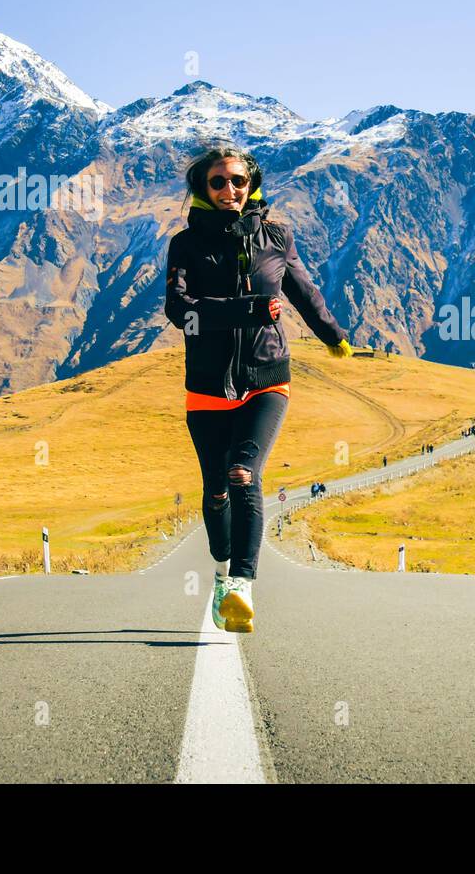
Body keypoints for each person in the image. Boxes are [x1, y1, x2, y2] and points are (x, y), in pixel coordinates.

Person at [165, 145, 351, 633]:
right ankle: (221, 572)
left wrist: (334, 336)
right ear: (202, 188)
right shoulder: (185, 245)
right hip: (207, 385)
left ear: (253, 185)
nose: (230, 190)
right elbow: (179, 311)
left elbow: (304, 291)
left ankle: (241, 587)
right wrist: (246, 310)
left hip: (267, 376)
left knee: (243, 474)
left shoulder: (277, 237)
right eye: (218, 182)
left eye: (239, 181)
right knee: (216, 492)